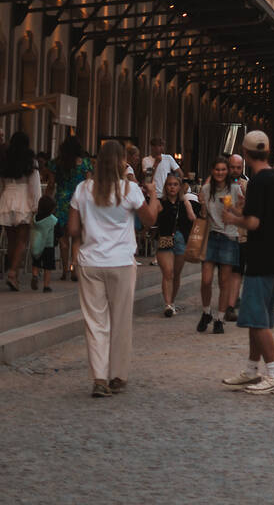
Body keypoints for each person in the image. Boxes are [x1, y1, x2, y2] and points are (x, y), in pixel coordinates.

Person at [70, 138, 159, 398]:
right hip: (120, 261)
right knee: (120, 321)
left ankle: (99, 377)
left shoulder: (83, 189)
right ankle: (118, 375)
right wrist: (153, 194)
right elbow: (149, 220)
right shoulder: (130, 190)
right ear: (122, 162)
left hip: (90, 261)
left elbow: (73, 229)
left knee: (96, 323)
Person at [222, 131, 274, 395]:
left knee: (257, 318)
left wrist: (233, 218)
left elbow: (254, 223)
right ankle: (252, 370)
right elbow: (271, 216)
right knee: (258, 318)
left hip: (261, 258)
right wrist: (245, 209)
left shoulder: (258, 182)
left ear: (246, 153)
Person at [195, 155, 243, 333]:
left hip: (229, 236)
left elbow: (241, 213)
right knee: (206, 279)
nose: (220, 173)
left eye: (223, 169)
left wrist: (235, 208)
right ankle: (206, 311)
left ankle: (220, 318)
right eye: (217, 169)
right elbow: (204, 214)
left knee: (224, 281)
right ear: (212, 171)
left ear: (228, 171)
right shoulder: (207, 189)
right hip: (212, 236)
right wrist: (201, 205)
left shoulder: (236, 189)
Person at [0, 130, 41, 290]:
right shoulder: (31, 162)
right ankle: (13, 273)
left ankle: (12, 271)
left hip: (7, 198)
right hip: (24, 200)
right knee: (22, 240)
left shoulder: (4, 161)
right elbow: (34, 187)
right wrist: (36, 206)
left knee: (12, 240)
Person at [154, 172, 197, 317]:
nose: (172, 188)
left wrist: (186, 202)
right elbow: (152, 219)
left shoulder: (184, 202)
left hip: (180, 240)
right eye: (169, 185)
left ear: (180, 187)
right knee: (168, 272)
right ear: (165, 187)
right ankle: (167, 304)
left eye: (175, 185)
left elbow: (193, 218)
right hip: (165, 238)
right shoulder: (160, 202)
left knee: (176, 274)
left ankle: (172, 302)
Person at [51, 137, 89, 282]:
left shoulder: (56, 163)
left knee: (63, 235)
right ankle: (74, 266)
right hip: (79, 200)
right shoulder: (84, 163)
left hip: (61, 200)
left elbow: (51, 184)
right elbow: (88, 183)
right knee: (77, 236)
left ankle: (65, 269)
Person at [29, 194, 59, 293]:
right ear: (52, 209)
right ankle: (46, 286)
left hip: (36, 245)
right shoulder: (53, 220)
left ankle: (35, 275)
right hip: (48, 246)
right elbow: (59, 232)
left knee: (36, 262)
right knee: (48, 266)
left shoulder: (35, 218)